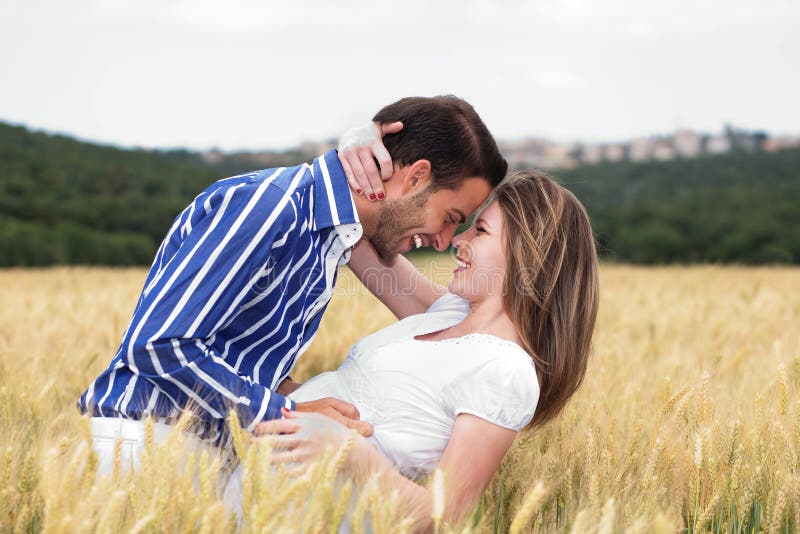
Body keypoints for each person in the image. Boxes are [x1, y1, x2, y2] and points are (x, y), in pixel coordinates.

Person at [76, 95, 508, 474]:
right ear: (415, 177)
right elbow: (158, 344)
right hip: (147, 449)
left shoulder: (329, 236)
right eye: (452, 217)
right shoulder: (271, 206)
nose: (445, 241)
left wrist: (312, 402)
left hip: (198, 454)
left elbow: (231, 353)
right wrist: (288, 411)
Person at [249, 168, 600, 531]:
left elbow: (444, 518)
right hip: (251, 470)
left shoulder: (505, 371)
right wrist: (364, 158)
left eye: (480, 230)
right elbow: (355, 231)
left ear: (528, 253)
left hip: (299, 516)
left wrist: (349, 452)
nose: (458, 240)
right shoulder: (447, 310)